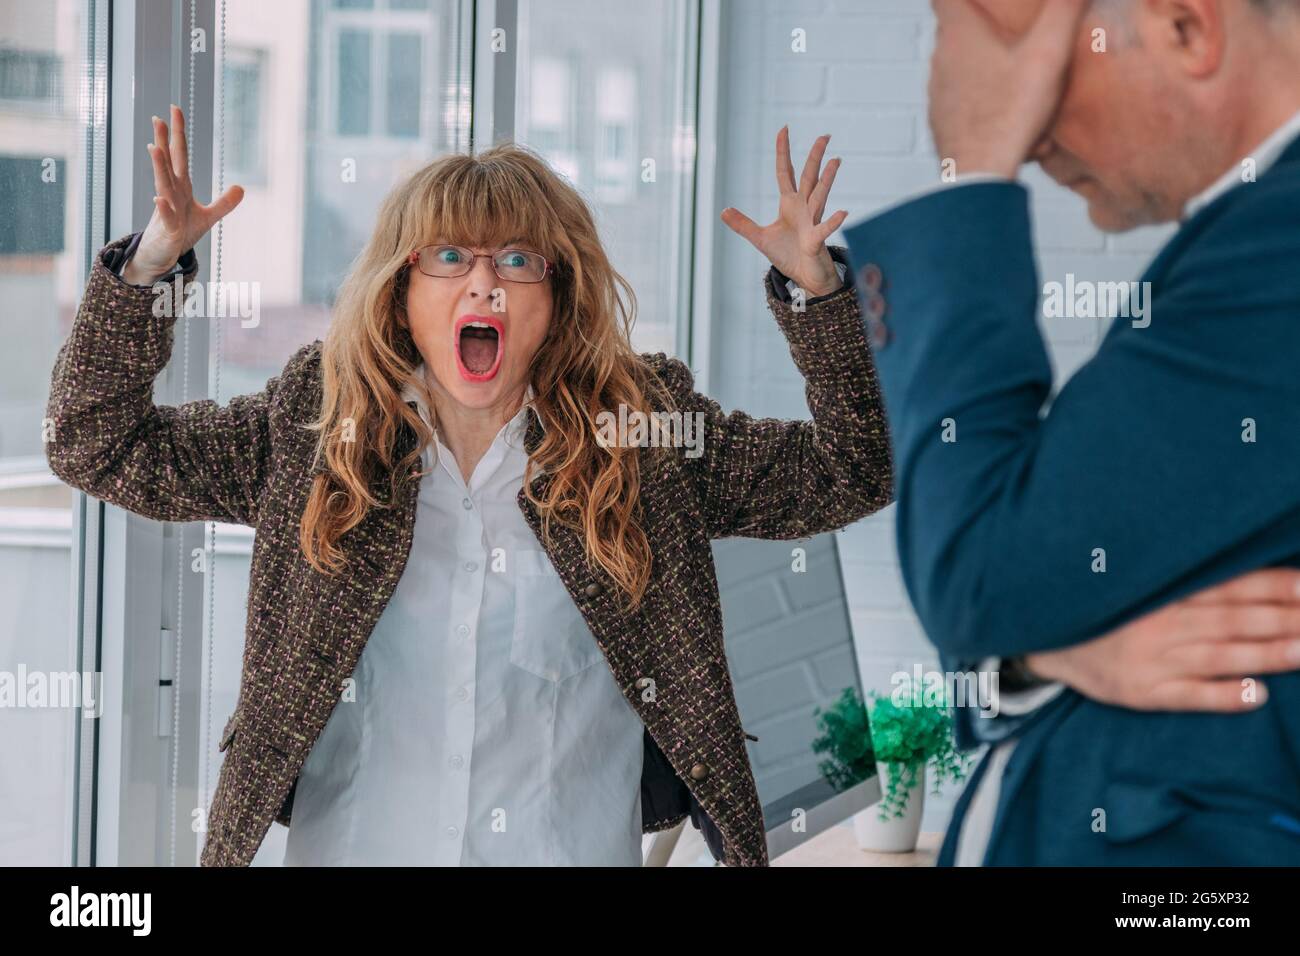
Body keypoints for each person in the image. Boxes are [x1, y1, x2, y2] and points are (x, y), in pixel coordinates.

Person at [45, 107, 895, 865]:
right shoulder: (313, 424)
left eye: (519, 259)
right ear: (403, 289)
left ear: (557, 294)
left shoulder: (642, 435)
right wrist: (150, 271)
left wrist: (818, 295)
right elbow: (94, 442)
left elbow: (854, 468)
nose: (483, 281)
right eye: (449, 255)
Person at [842, 0, 1300, 864]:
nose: (1030, 130)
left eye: (1033, 63)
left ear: (1185, 27)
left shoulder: (1280, 242)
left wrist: (974, 167)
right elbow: (1017, 599)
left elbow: (978, 572)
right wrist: (1041, 660)